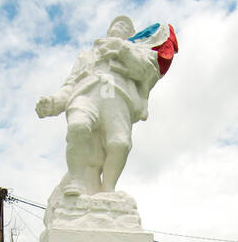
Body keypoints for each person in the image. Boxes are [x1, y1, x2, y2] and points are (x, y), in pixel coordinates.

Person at [36, 17, 178, 193]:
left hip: (117, 97)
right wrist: (53, 103)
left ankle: (108, 189)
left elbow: (145, 71)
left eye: (125, 25)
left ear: (130, 35)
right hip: (86, 93)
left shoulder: (136, 50)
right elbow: (70, 85)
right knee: (78, 126)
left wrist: (121, 49)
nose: (119, 25)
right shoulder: (87, 55)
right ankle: (76, 180)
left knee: (120, 144)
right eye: (116, 23)